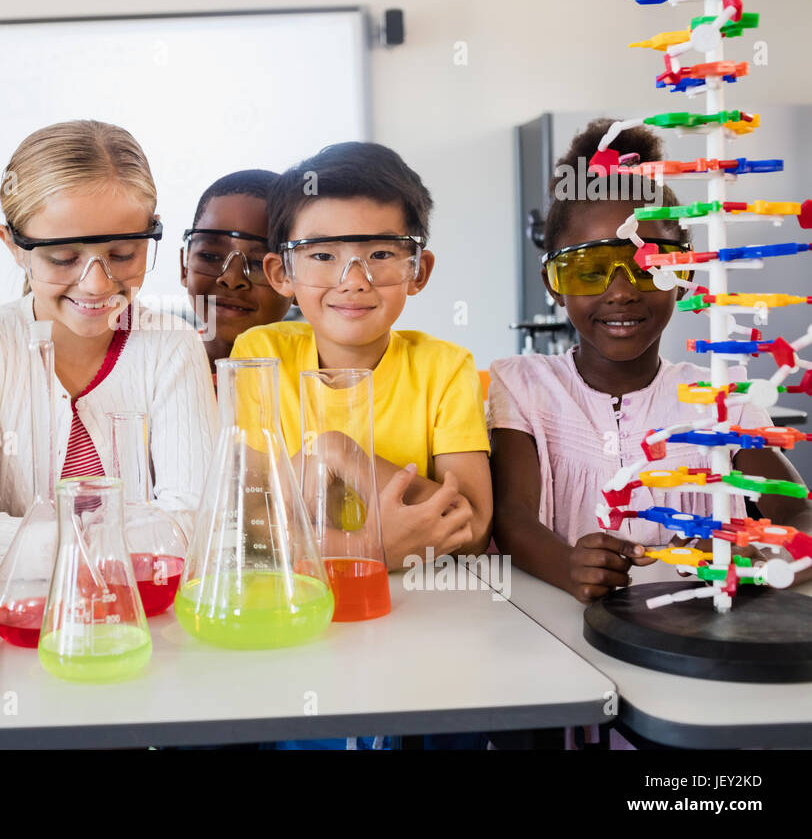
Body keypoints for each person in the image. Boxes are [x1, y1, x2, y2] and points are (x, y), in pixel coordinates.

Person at [489, 119, 811, 604]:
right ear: (554, 281)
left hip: (696, 646)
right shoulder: (523, 386)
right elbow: (512, 517)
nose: (621, 291)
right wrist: (568, 565)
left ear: (683, 274)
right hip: (557, 644)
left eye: (650, 265)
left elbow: (800, 518)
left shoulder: (720, 402)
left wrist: (752, 557)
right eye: (590, 269)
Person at [0, 120, 217, 579]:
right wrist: (128, 545)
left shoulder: (172, 348)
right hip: (17, 626)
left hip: (147, 628)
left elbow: (195, 524)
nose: (97, 283)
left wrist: (43, 548)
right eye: (63, 258)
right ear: (14, 247)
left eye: (123, 254)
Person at [232, 141, 493, 565]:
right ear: (282, 273)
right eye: (321, 255)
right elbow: (250, 523)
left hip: (424, 607)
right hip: (303, 601)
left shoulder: (444, 367)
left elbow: (471, 529)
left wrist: (341, 453)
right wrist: (372, 548)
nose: (354, 280)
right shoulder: (260, 354)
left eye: (381, 254)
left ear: (418, 270)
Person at [180, 169, 292, 375]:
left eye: (259, 264)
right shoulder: (157, 373)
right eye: (210, 256)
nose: (232, 279)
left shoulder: (315, 383)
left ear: (299, 279)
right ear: (184, 266)